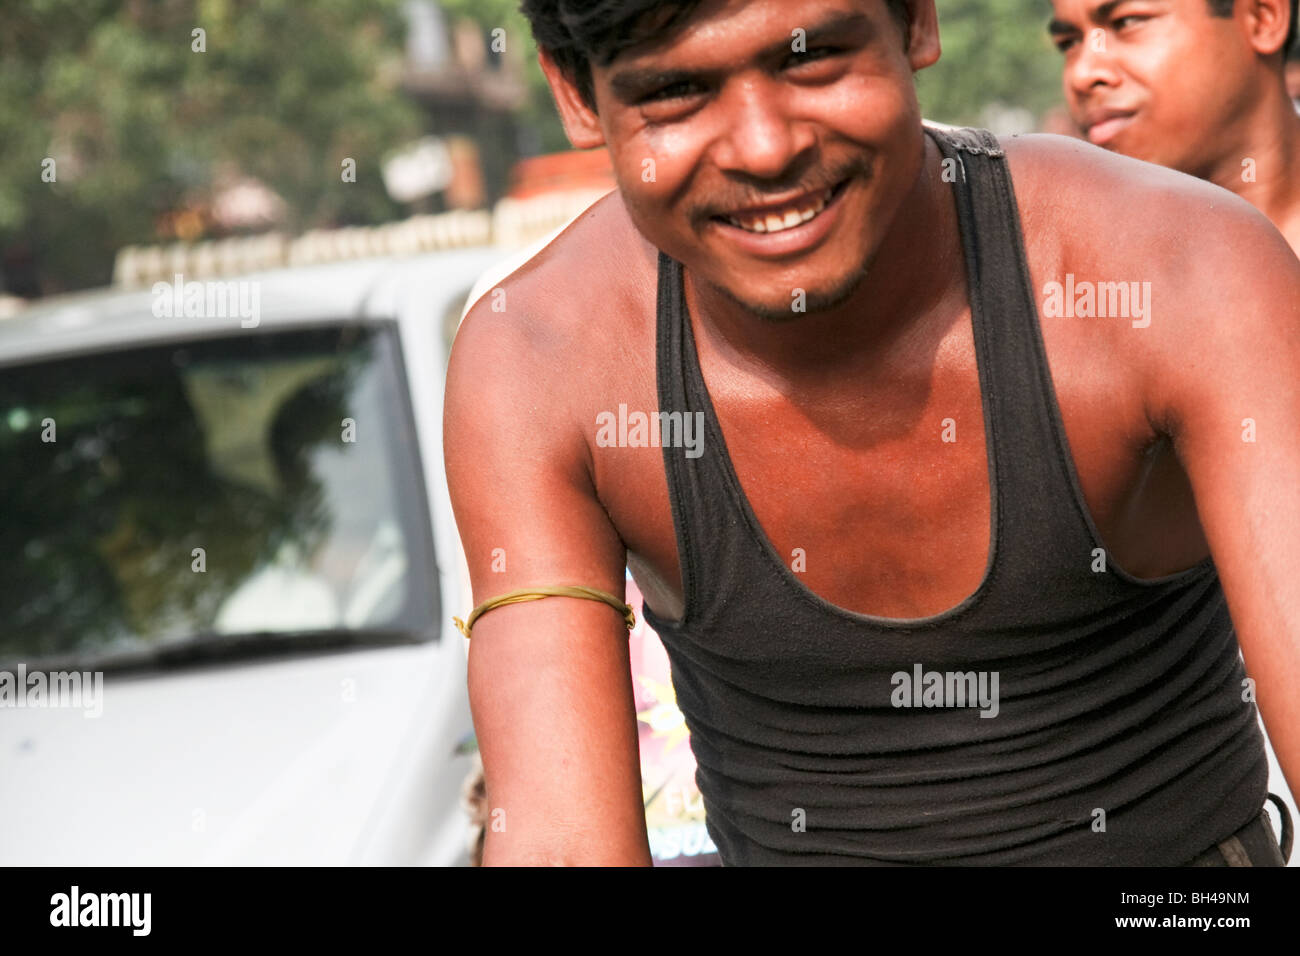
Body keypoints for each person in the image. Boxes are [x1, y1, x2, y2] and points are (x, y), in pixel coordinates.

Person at [444, 0, 1300, 865]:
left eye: (810, 61)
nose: (765, 147)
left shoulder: (1179, 269)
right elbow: (558, 841)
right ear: (578, 97)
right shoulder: (538, 361)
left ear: (916, 25)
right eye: (675, 92)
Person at [1049, 0, 1300, 252]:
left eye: (1127, 22)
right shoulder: (1077, 270)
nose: (1081, 75)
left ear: (1261, 18)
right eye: (1069, 43)